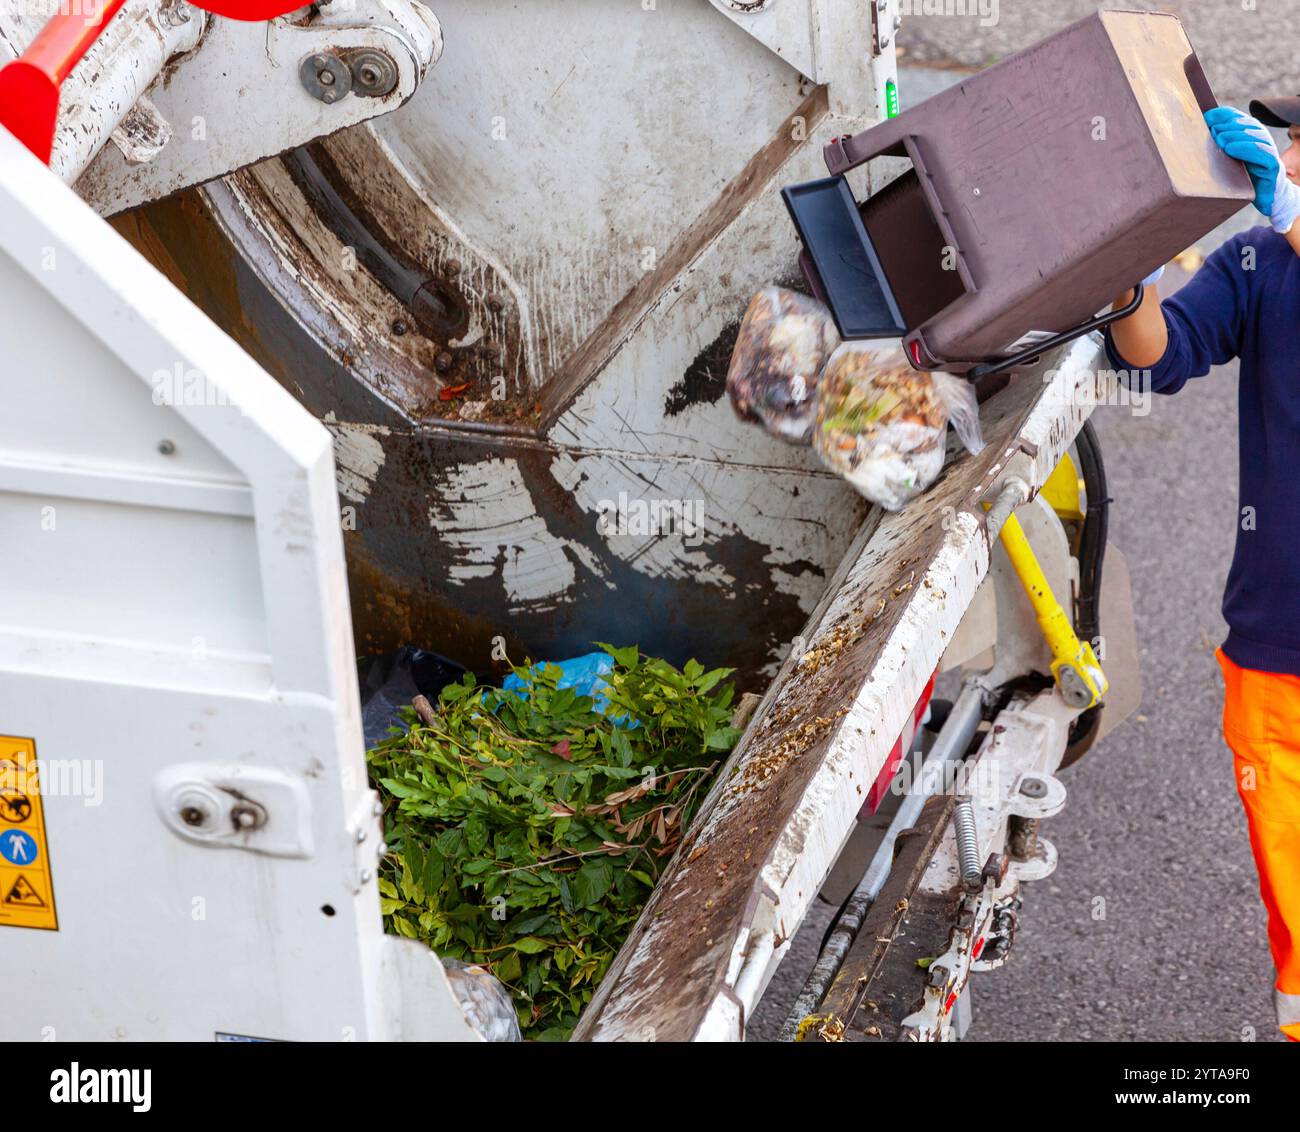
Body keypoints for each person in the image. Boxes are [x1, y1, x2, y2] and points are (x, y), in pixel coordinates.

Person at [1106, 96, 1300, 1041]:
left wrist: (1290, 213)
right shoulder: (1264, 261)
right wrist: (1125, 279)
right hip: (1277, 657)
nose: (1290, 156)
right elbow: (1159, 359)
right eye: (1291, 142)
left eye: (1299, 144)